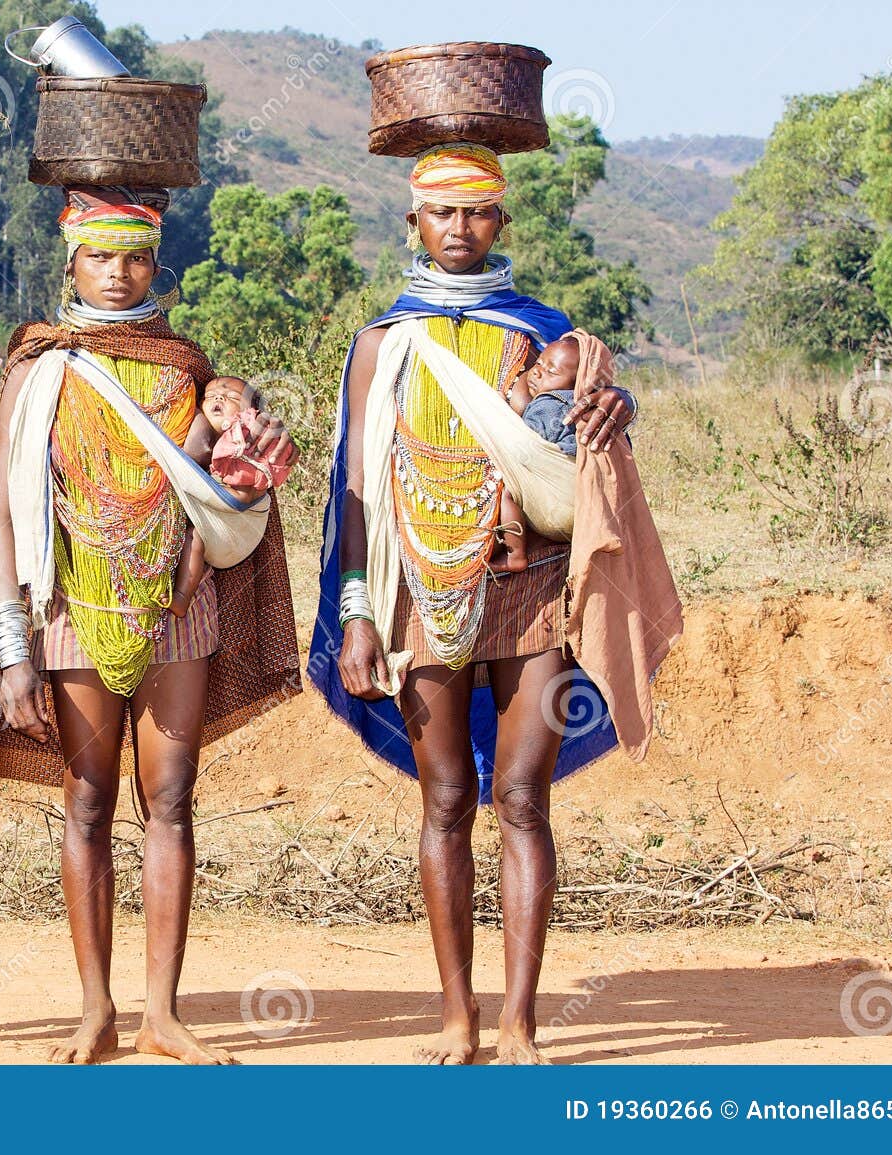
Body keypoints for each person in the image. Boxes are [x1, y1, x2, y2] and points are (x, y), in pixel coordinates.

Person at [310, 143, 641, 1065]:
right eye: (442, 214)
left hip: (533, 587)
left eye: (478, 213)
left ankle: (521, 1021)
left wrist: (614, 403)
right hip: (421, 589)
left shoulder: (541, 331)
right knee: (449, 794)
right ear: (412, 222)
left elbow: (593, 421)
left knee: (525, 795)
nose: (460, 230)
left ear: (502, 222)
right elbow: (359, 486)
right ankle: (457, 1016)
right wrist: (357, 612)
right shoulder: (382, 343)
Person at [0, 186, 301, 1065]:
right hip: (69, 606)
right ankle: (95, 1009)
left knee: (170, 803)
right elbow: (8, 517)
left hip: (177, 611)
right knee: (86, 804)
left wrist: (238, 408)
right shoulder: (37, 365)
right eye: (99, 258)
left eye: (135, 259)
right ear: (70, 263)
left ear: (157, 266)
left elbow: (223, 469)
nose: (117, 276)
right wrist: (13, 655)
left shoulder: (185, 368)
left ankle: (162, 1012)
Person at [171, 376, 294, 616]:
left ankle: (182, 596)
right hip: (215, 517)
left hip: (241, 519)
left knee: (195, 537)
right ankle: (181, 596)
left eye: (231, 397)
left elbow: (246, 492)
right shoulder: (199, 433)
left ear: (251, 411)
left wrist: (218, 493)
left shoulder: (247, 436)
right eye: (211, 396)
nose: (219, 398)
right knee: (193, 540)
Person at [492, 334, 583, 573]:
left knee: (508, 493)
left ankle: (515, 555)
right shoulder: (586, 407)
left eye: (551, 372)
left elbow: (526, 444)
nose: (537, 373)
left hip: (558, 501)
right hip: (584, 506)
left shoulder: (548, 404)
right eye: (539, 363)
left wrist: (499, 413)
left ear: (576, 384)